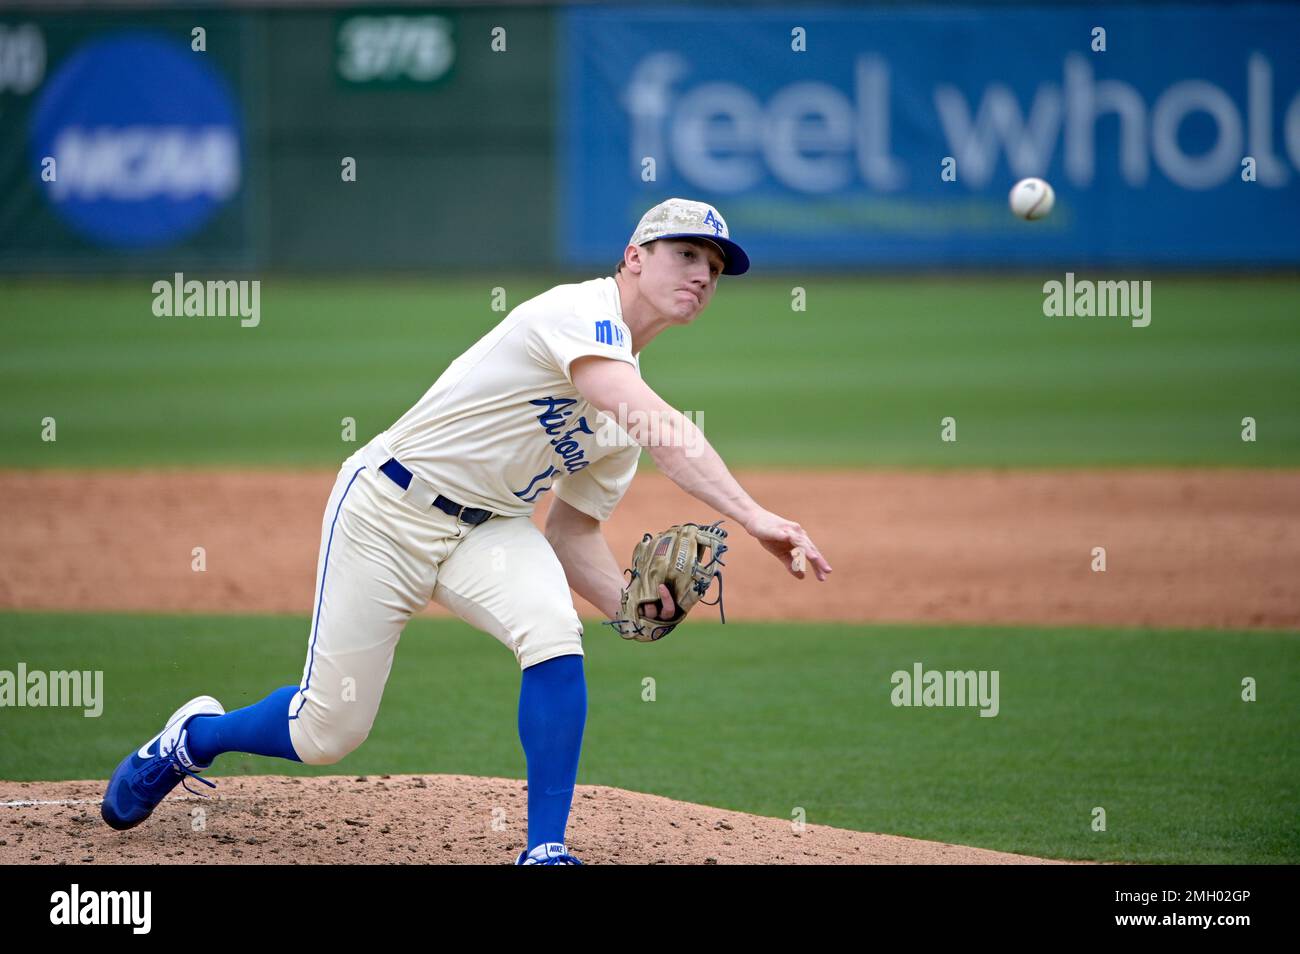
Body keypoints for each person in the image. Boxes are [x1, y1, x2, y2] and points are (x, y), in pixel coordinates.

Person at [100, 197, 832, 864]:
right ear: (634, 257)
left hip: (491, 531)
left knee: (553, 632)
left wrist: (629, 610)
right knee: (327, 734)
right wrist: (756, 516)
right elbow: (647, 412)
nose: (702, 274)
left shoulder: (619, 431)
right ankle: (193, 738)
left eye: (713, 266)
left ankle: (545, 849)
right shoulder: (580, 312)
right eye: (685, 254)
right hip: (387, 511)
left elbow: (572, 534)